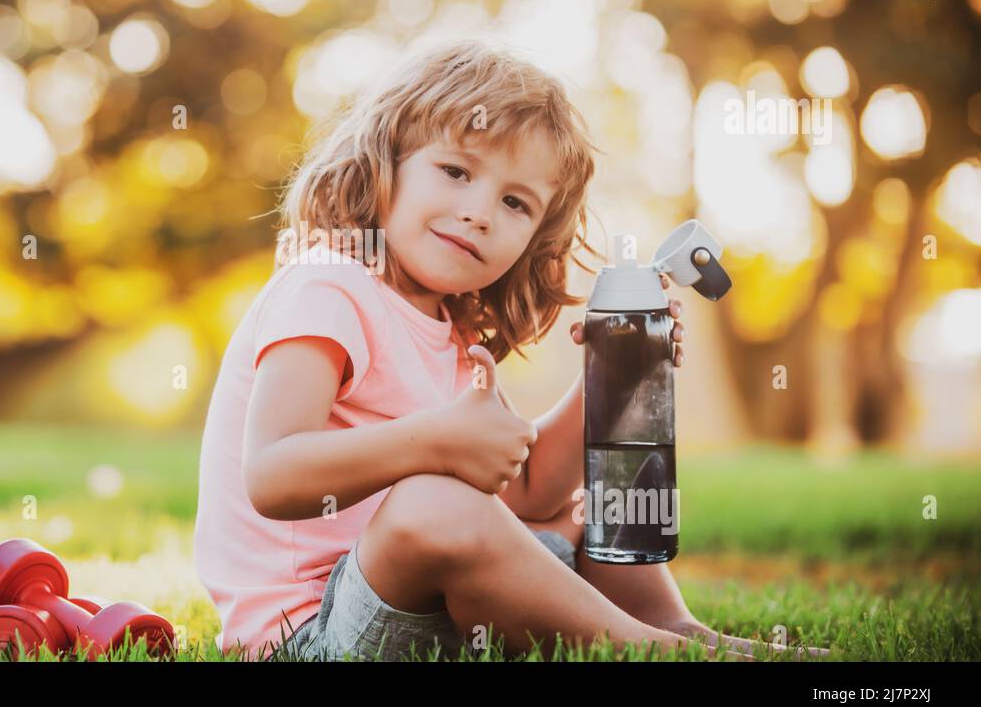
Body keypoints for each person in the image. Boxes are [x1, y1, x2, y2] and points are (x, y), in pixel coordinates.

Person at [193, 38, 828, 662]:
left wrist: (611, 376)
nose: (478, 213)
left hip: (426, 600)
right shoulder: (326, 285)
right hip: (313, 631)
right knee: (432, 502)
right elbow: (272, 474)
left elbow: (524, 492)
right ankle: (651, 651)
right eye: (455, 171)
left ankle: (675, 628)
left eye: (514, 202)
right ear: (384, 162)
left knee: (582, 504)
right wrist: (436, 442)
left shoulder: (452, 330)